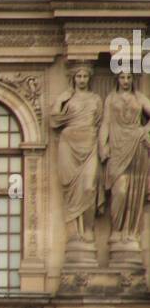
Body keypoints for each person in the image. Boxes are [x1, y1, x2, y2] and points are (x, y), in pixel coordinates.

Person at [49, 66, 103, 244]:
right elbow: (54, 121)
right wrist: (59, 100)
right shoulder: (67, 99)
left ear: (89, 78)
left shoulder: (96, 99)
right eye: (78, 76)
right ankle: (73, 232)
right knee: (70, 190)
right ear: (74, 78)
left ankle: (88, 229)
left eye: (85, 76)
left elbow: (100, 123)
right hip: (69, 144)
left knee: (89, 188)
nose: (81, 79)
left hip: (90, 144)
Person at [100, 71, 150, 244]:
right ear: (117, 79)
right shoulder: (111, 99)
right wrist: (102, 145)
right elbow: (105, 122)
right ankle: (116, 231)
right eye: (122, 77)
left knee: (134, 191)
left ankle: (130, 232)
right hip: (116, 146)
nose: (126, 81)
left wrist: (144, 130)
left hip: (136, 145)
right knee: (119, 190)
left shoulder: (140, 98)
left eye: (129, 77)